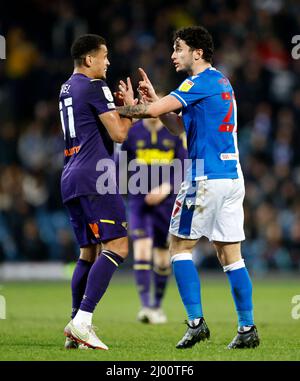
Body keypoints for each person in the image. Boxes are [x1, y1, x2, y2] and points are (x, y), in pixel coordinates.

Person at [117, 26, 260, 349]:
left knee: (179, 249)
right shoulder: (221, 81)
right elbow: (178, 125)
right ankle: (247, 327)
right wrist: (156, 102)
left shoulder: (197, 82)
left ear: (197, 53)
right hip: (232, 177)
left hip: (205, 177)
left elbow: (152, 113)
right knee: (230, 256)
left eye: (178, 48)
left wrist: (119, 111)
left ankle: (196, 322)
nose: (172, 55)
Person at [59, 34, 135, 350]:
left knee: (88, 252)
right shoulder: (94, 86)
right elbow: (118, 133)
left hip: (71, 176)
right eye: (105, 56)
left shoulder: (66, 87)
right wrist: (129, 108)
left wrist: (120, 106)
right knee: (117, 246)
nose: (108, 62)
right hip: (96, 176)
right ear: (89, 59)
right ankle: (83, 321)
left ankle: (75, 325)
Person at [120, 115, 187, 324]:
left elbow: (184, 164)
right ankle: (145, 306)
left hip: (166, 203)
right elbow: (121, 162)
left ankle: (157, 306)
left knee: (162, 258)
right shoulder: (133, 131)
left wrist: (167, 187)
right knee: (141, 249)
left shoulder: (174, 131)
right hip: (139, 201)